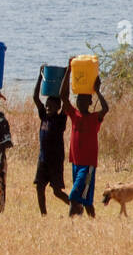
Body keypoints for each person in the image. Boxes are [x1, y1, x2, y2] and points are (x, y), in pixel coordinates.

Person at [59, 59, 110, 218]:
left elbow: (106, 108)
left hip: (87, 165)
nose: (80, 102)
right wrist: (68, 71)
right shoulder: (75, 115)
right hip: (75, 163)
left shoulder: (95, 118)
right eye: (78, 99)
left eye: (83, 100)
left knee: (75, 194)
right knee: (86, 199)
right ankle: (92, 222)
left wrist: (98, 90)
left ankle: (71, 220)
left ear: (89, 102)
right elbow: (63, 96)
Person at [32, 67, 70, 215]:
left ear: (58, 107)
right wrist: (40, 76)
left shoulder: (60, 119)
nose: (47, 107)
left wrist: (68, 73)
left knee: (56, 191)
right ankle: (43, 215)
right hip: (43, 159)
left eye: (51, 106)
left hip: (55, 160)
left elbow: (64, 97)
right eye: (47, 105)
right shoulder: (44, 116)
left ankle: (76, 207)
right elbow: (36, 97)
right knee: (39, 187)